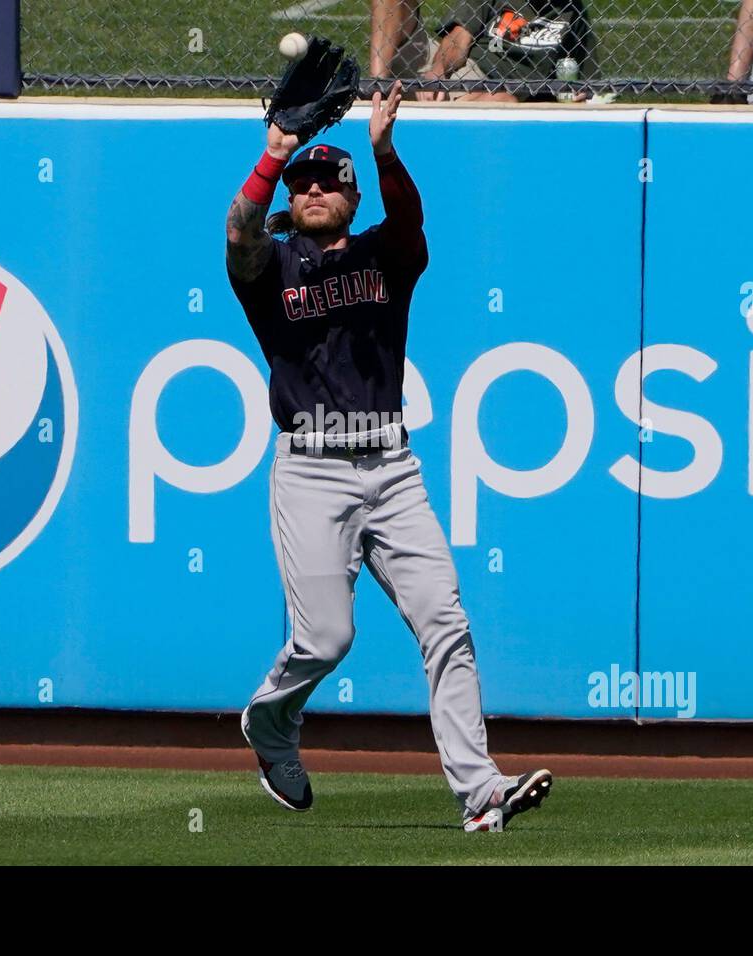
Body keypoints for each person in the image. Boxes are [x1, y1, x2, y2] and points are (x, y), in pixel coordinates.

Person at [224, 81, 553, 831]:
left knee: (447, 622)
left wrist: (382, 151)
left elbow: (409, 217)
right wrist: (276, 152)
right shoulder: (274, 268)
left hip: (392, 467)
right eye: (301, 184)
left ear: (349, 196)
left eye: (325, 182)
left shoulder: (384, 255)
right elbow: (239, 234)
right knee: (326, 638)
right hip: (310, 467)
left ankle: (481, 793)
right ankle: (271, 723)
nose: (311, 192)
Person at [417, 0, 597, 103]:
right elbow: (458, 39)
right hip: (475, 73)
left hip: (523, 94)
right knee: (503, 101)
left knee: (505, 101)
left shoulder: (573, 11)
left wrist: (580, 94)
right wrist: (438, 71)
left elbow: (585, 78)